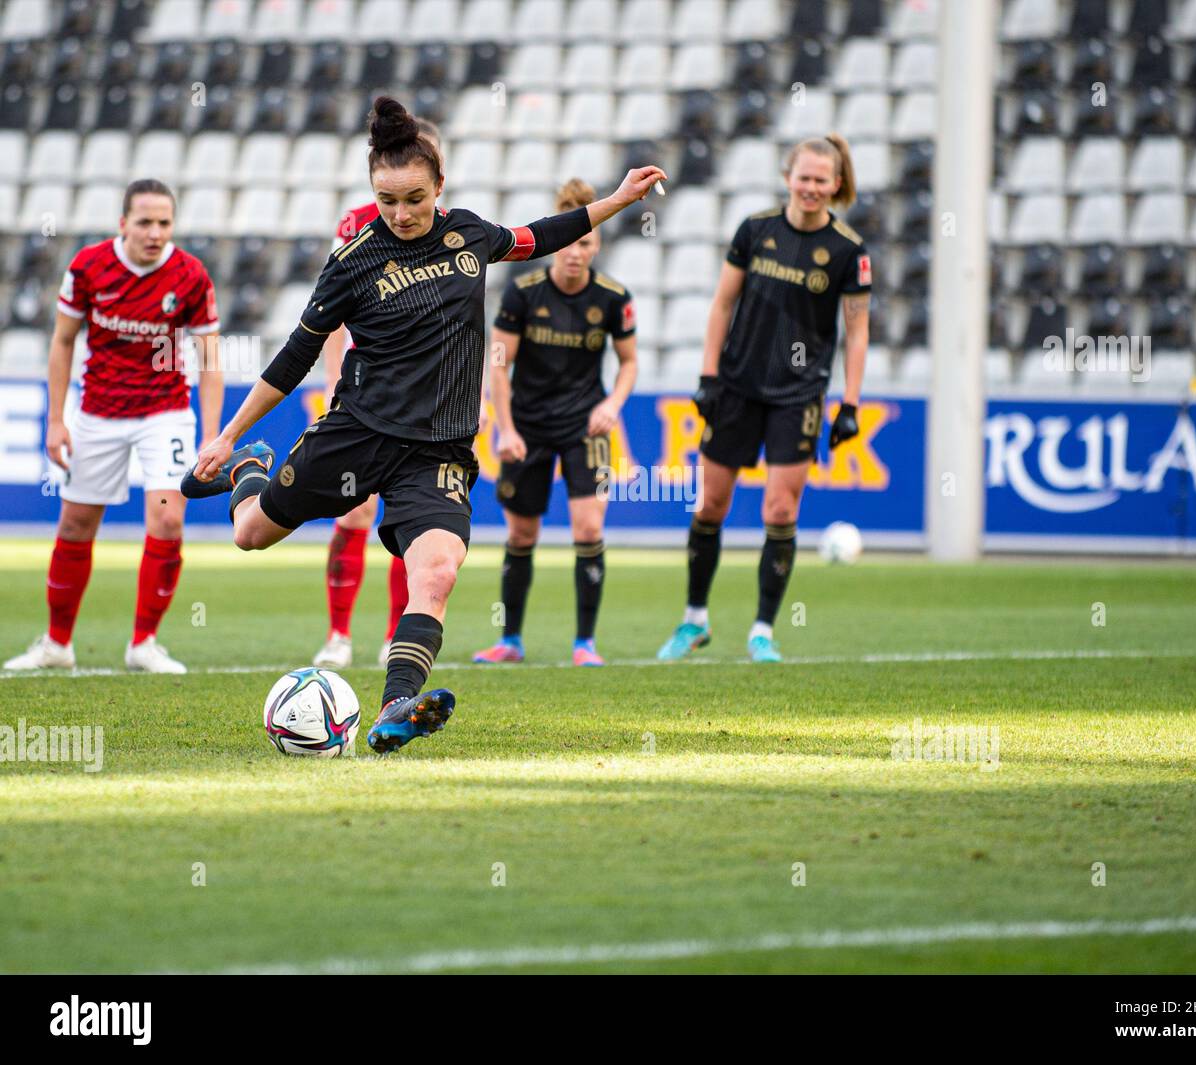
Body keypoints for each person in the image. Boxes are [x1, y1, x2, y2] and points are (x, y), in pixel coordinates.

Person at [182, 96, 665, 754]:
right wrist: (228, 437)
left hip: (436, 452)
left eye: (414, 197)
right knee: (249, 533)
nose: (402, 213)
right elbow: (293, 357)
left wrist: (616, 200)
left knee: (436, 572)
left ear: (440, 185)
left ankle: (395, 707)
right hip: (356, 433)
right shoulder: (351, 263)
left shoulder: (469, 235)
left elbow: (539, 236)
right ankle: (249, 470)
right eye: (387, 200)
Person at [656, 133, 870, 664]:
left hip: (798, 395)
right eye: (805, 177)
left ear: (837, 184)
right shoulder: (755, 231)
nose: (812, 187)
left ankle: (762, 630)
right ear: (788, 177)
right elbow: (722, 304)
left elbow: (858, 330)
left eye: (823, 180)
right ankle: (694, 621)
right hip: (737, 387)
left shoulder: (849, 251)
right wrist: (708, 377)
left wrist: (851, 404)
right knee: (710, 504)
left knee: (780, 509)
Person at [5, 179, 222, 673]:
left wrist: (212, 435)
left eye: (165, 223)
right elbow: (61, 343)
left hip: (164, 413)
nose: (155, 232)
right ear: (123, 223)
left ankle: (143, 642)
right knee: (76, 524)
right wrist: (56, 420)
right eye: (145, 222)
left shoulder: (190, 275)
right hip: (97, 413)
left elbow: (210, 357)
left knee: (168, 518)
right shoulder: (88, 266)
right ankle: (57, 643)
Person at [473, 178, 637, 667]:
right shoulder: (522, 294)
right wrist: (506, 428)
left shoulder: (612, 298)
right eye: (568, 242)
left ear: (596, 244)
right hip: (528, 425)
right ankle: (511, 641)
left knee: (589, 529)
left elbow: (629, 362)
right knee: (522, 535)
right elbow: (498, 362)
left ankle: (585, 643)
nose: (574, 251)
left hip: (585, 426)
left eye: (585, 242)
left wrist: (614, 405)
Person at [312, 118, 441, 671]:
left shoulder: (455, 233)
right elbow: (332, 315)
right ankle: (339, 633)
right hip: (366, 392)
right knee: (356, 513)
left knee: (411, 523)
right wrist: (333, 384)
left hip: (427, 402)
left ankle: (395, 635)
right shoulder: (359, 226)